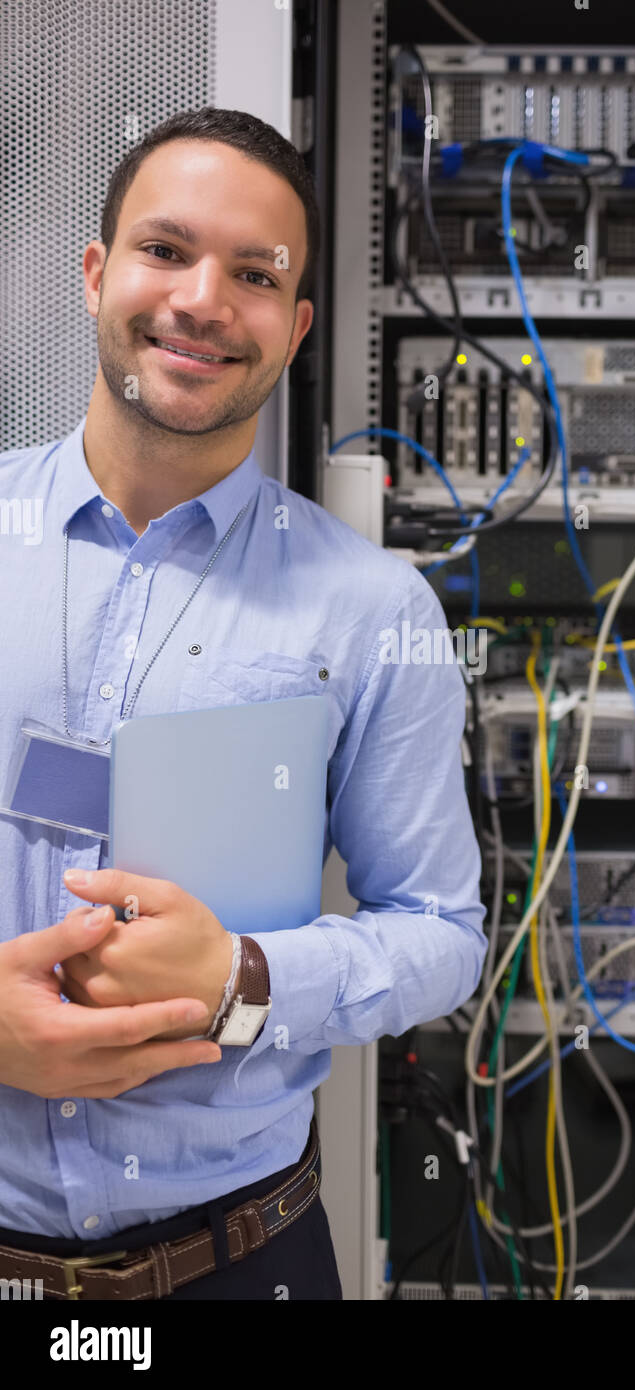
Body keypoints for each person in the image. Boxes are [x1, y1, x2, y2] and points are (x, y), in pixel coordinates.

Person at [0, 106, 487, 1300]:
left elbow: (440, 931)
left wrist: (242, 978)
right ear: (96, 272)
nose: (204, 299)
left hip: (236, 1260)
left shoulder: (374, 610)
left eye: (255, 274)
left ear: (295, 324)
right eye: (166, 250)